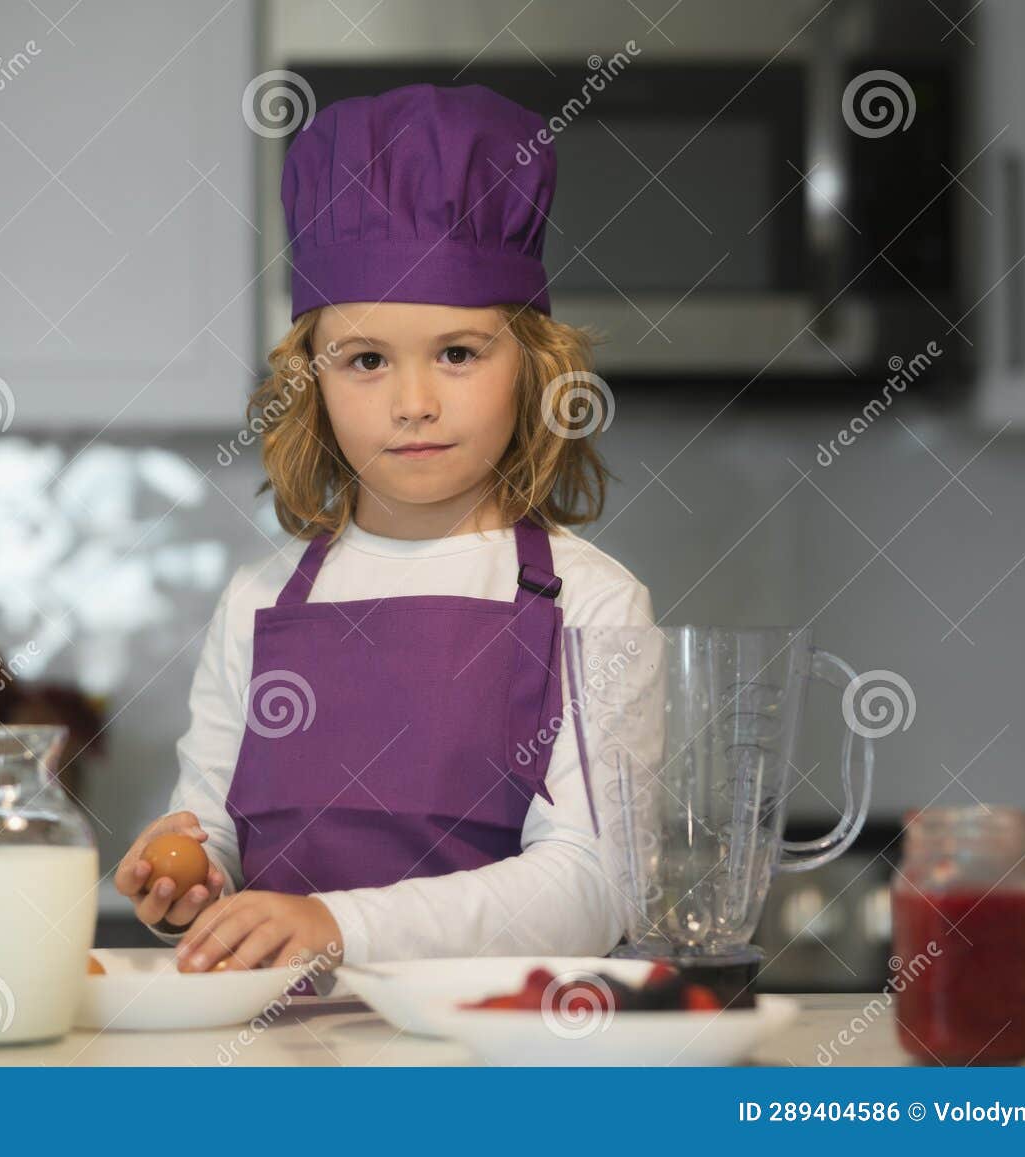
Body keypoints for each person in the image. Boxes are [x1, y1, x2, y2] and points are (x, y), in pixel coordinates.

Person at [115, 83, 654, 975]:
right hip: (283, 1057)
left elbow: (592, 888)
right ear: (312, 382)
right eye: (366, 360)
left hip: (494, 1058)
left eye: (458, 353)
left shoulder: (595, 601)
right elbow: (211, 827)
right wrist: (193, 882)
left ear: (532, 365)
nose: (413, 403)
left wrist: (335, 925)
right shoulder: (259, 600)